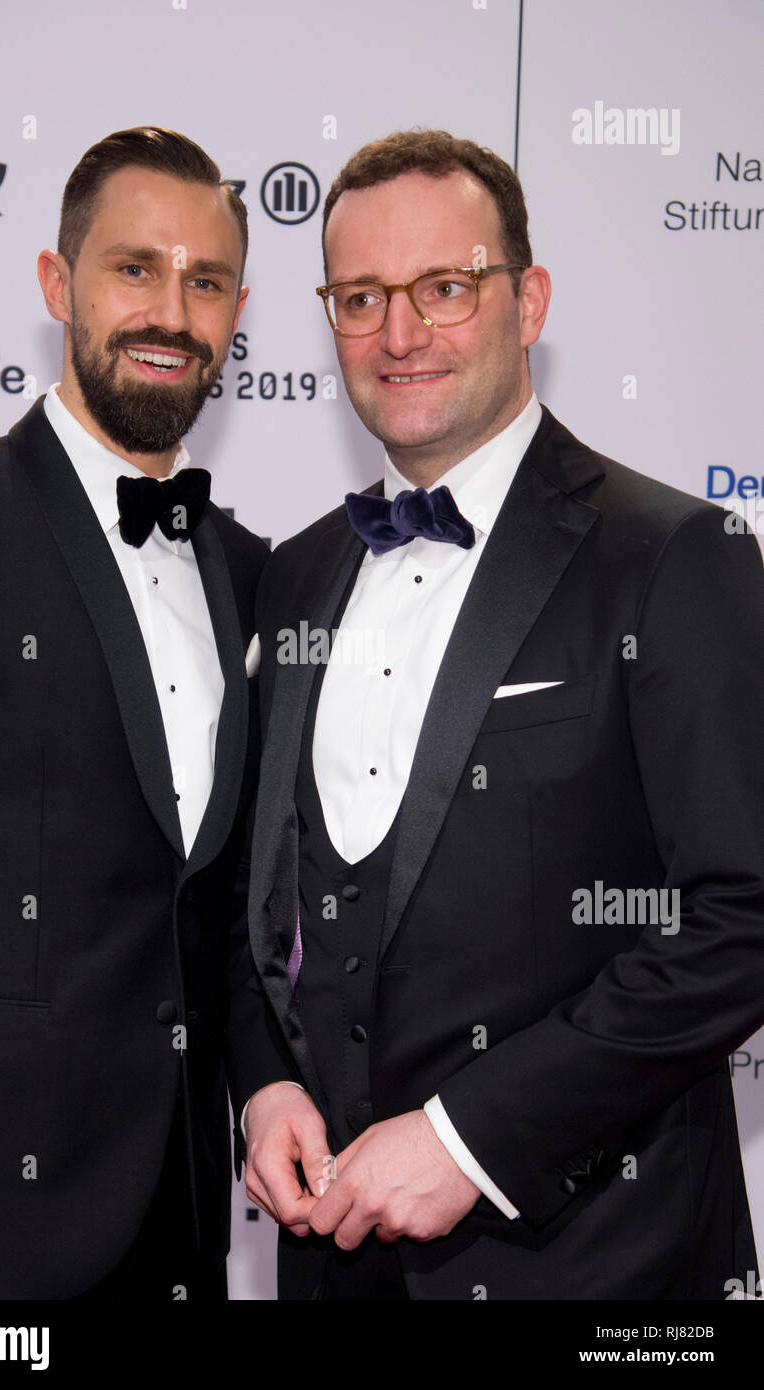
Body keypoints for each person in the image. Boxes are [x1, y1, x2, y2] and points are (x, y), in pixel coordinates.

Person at [240, 129, 764, 1300]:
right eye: (359, 297)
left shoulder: (673, 554)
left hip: (593, 1267)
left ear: (524, 301)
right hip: (329, 1264)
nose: (399, 334)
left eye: (443, 286)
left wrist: (468, 1138)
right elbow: (255, 897)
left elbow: (743, 909)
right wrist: (262, 1079)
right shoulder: (297, 572)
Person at [0, 126, 288, 1300]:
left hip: (181, 1233)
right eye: (134, 268)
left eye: (205, 279)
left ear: (236, 310)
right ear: (55, 283)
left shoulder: (253, 571)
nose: (171, 309)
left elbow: (224, 911)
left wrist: (266, 1086)